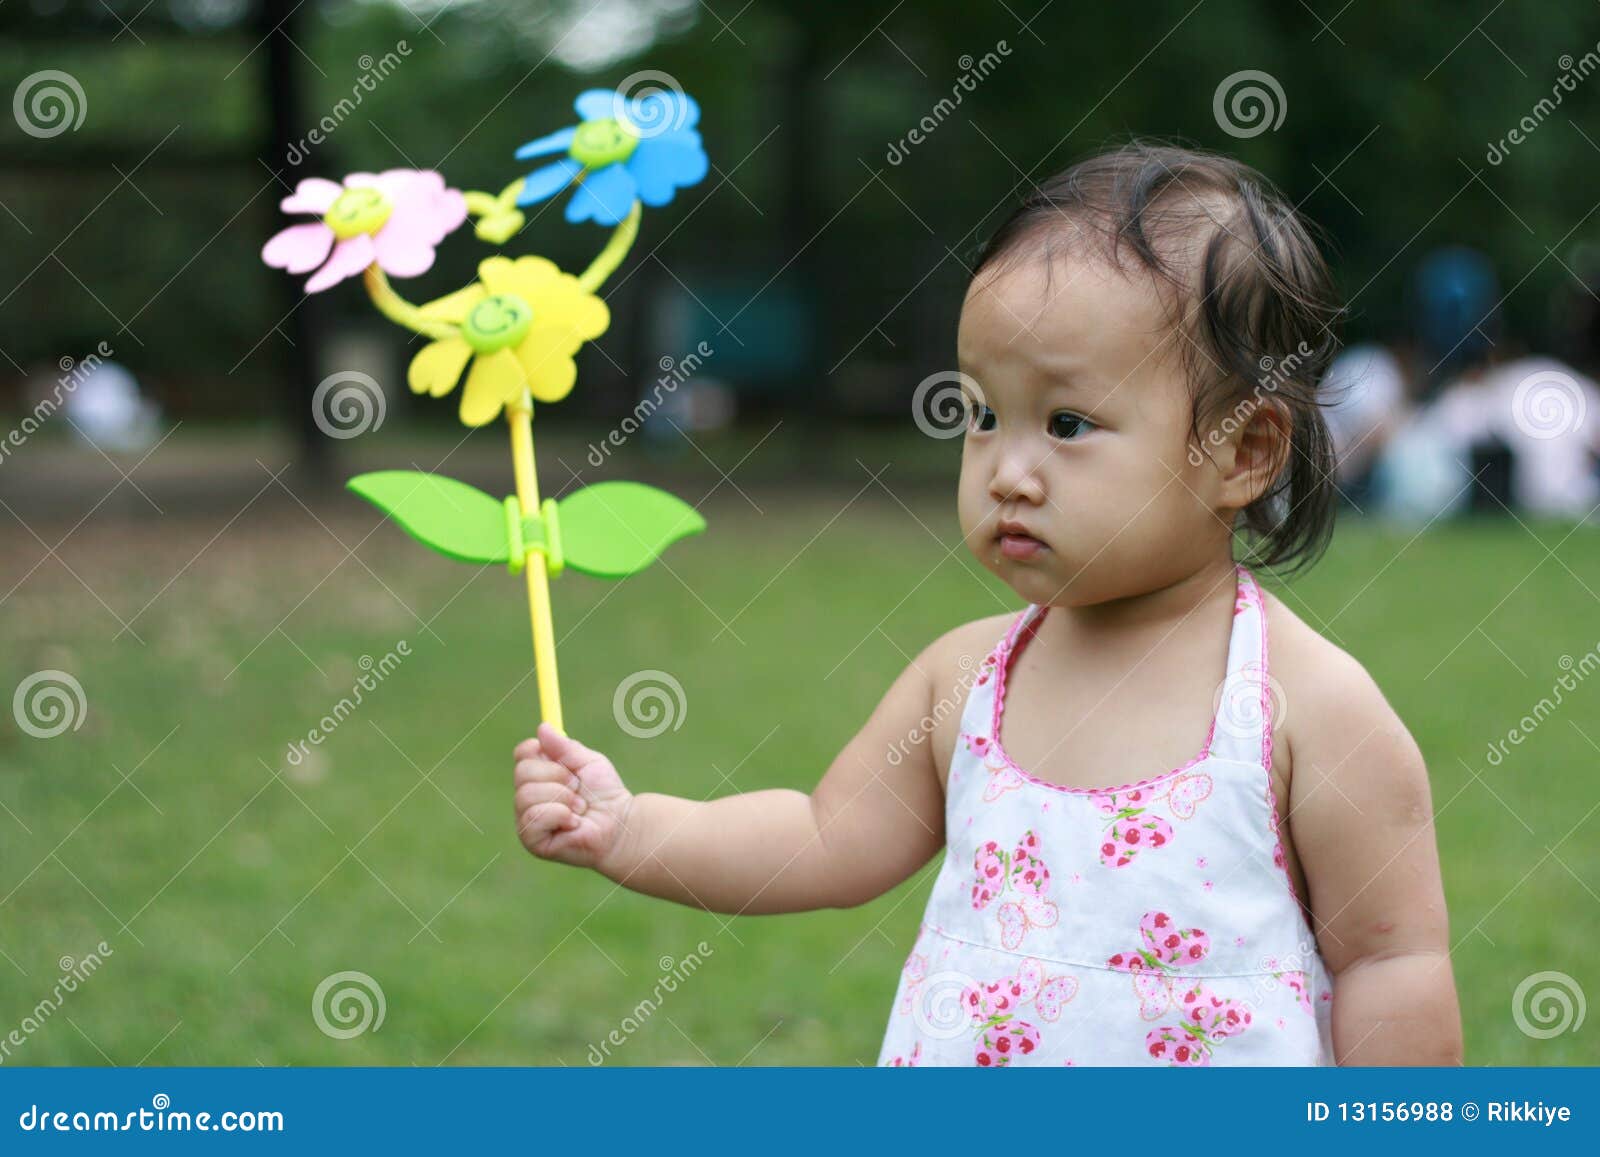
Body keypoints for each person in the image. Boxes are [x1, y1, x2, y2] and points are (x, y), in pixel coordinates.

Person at [509, 142, 1463, 1066]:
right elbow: (820, 835)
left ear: (1244, 452)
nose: (1008, 471)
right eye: (981, 414)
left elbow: (1391, 960)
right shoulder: (965, 680)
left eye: (1068, 424)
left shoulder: (1307, 707)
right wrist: (633, 829)